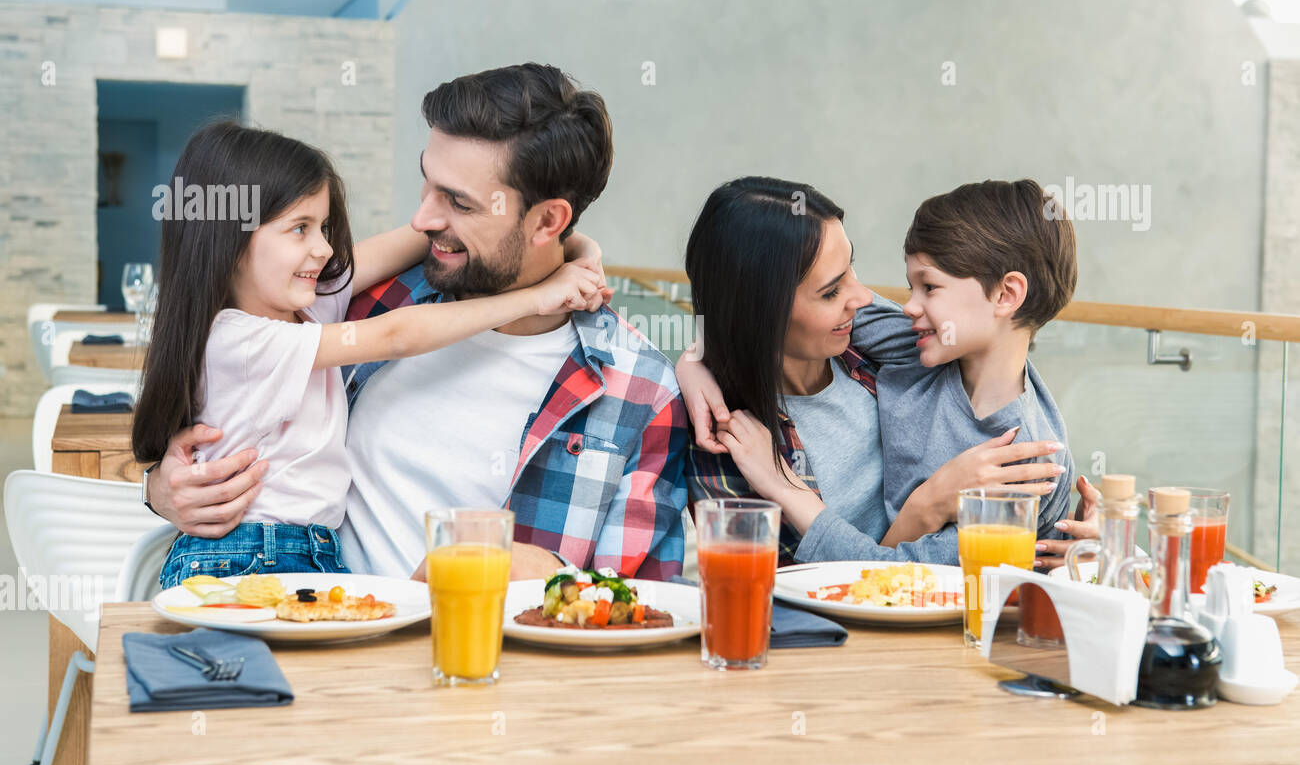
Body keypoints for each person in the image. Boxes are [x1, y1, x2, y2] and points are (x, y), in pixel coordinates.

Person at [144, 64, 690, 581]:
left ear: (549, 220)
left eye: (458, 201)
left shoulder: (640, 391)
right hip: (313, 624)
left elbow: (645, 606)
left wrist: (549, 578)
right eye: (427, 184)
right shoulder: (368, 303)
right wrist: (161, 486)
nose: (421, 219)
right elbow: (217, 412)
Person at [678, 176, 1098, 567]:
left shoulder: (1022, 456)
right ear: (769, 313)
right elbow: (792, 598)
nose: (867, 298)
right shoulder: (727, 434)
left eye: (928, 287)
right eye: (831, 290)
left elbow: (904, 580)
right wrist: (695, 358)